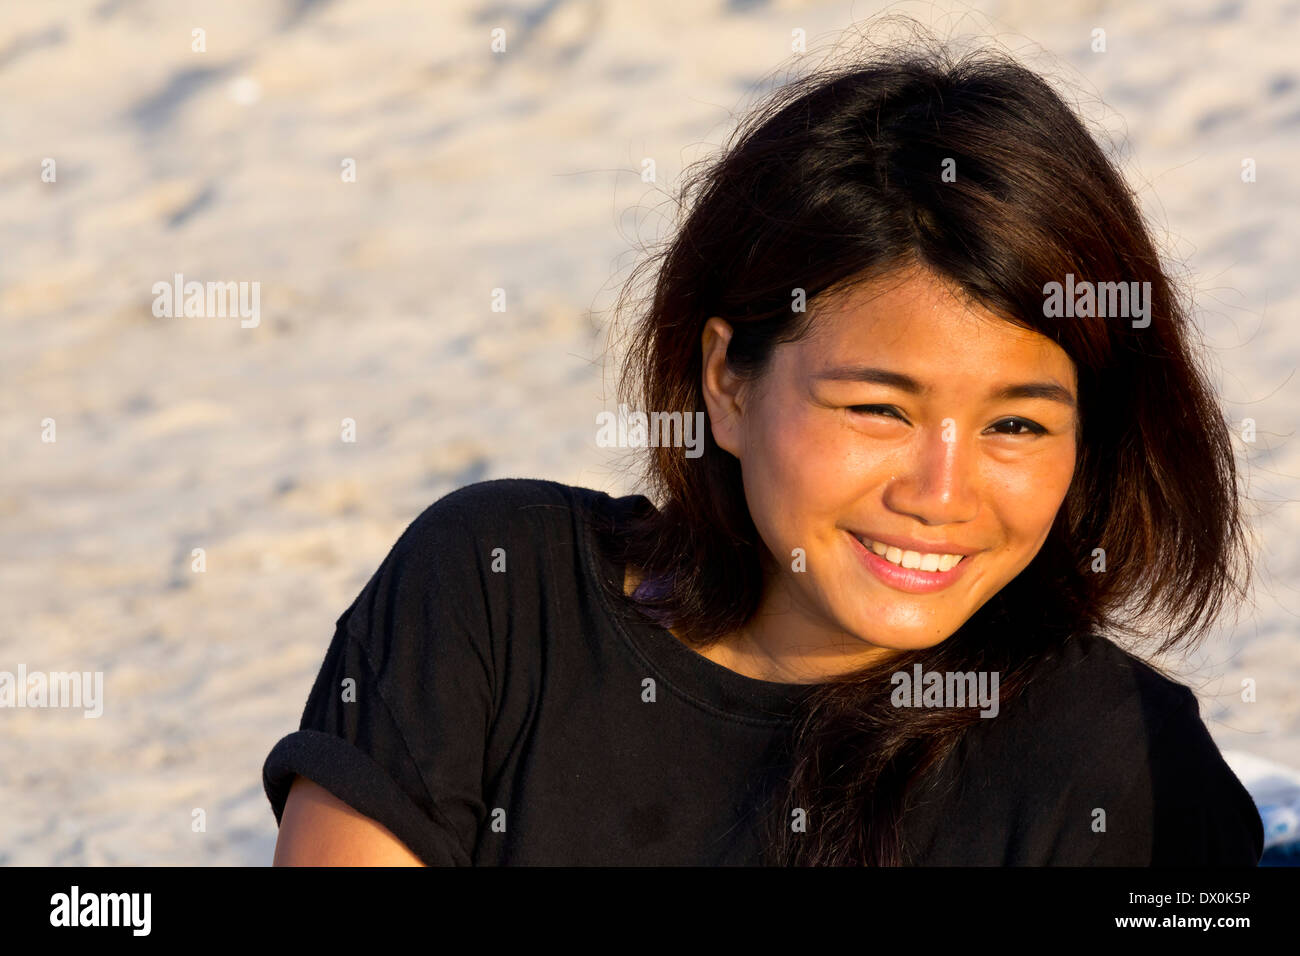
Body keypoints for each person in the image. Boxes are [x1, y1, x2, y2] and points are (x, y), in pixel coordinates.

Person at [263, 38, 1263, 866]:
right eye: (878, 408)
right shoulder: (496, 591)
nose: (940, 492)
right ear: (727, 382)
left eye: (1016, 424)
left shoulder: (1119, 760)